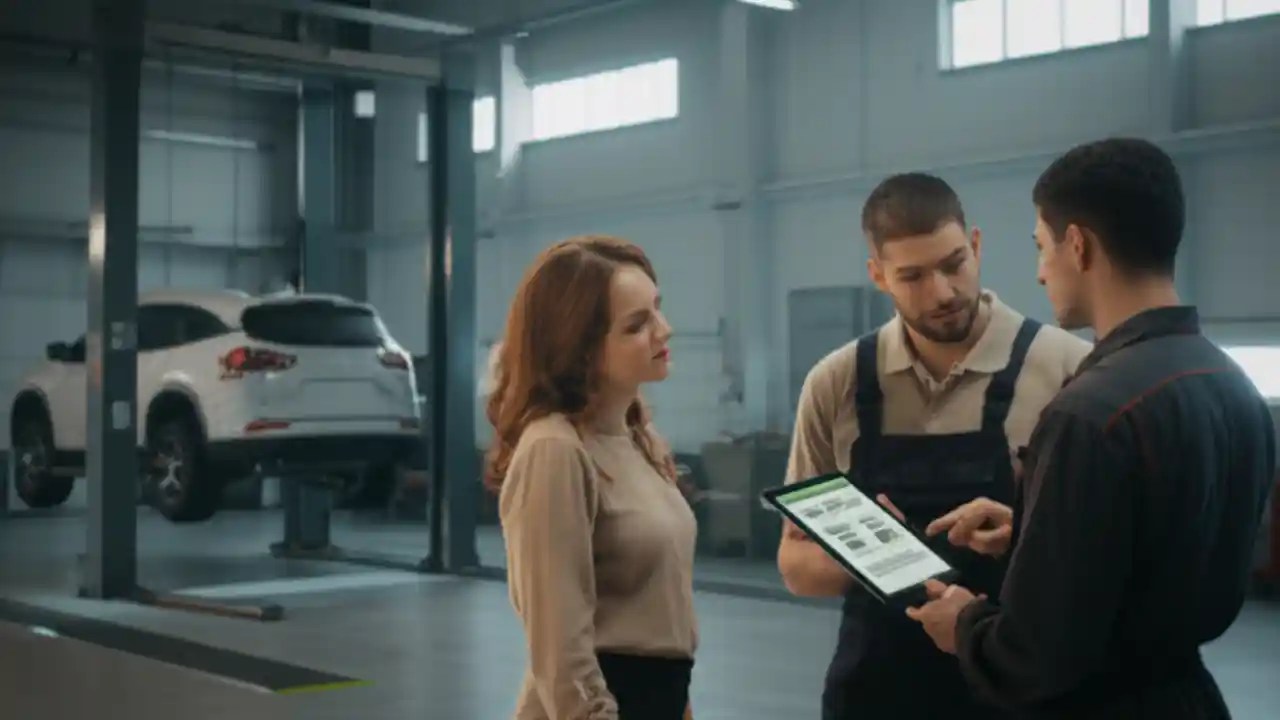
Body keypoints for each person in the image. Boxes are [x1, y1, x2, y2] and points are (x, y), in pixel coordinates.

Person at [905, 137, 1277, 719]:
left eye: (1041, 247)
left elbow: (1036, 653)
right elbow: (1154, 551)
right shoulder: (1232, 385)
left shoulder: (1091, 413)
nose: (1039, 271)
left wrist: (965, 624)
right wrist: (1035, 529)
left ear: (1077, 245)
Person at [778, 172, 1093, 719]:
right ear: (878, 276)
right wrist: (873, 557)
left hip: (1018, 690)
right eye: (913, 276)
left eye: (953, 265)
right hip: (873, 693)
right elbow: (795, 563)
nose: (942, 293)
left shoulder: (1067, 368)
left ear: (975, 246)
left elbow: (1099, 555)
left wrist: (1021, 538)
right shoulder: (837, 382)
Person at [486, 235, 698, 720]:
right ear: (580, 349)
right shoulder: (555, 451)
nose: (664, 331)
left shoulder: (637, 439)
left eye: (658, 310)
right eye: (636, 325)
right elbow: (560, 652)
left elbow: (664, 619)